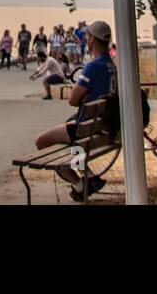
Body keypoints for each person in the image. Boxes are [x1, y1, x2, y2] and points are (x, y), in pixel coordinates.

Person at [32, 20, 116, 201]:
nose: (85, 38)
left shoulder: (93, 67)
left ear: (92, 40)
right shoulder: (112, 66)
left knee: (42, 141)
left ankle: (80, 185)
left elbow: (72, 100)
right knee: (71, 136)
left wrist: (83, 97)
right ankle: (90, 177)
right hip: (103, 128)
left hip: (88, 129)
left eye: (87, 35)